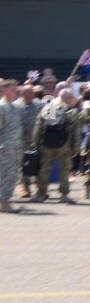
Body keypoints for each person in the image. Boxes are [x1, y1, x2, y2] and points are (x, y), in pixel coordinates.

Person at [32, 87, 78, 203]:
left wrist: (35, 143)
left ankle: (41, 194)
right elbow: (76, 130)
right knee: (64, 169)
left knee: (44, 169)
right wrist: (76, 147)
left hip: (46, 143)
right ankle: (64, 195)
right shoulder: (70, 109)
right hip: (64, 144)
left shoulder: (48, 107)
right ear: (67, 98)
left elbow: (38, 126)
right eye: (71, 97)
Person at [0, 79, 22, 212]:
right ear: (4, 90)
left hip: (16, 146)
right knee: (5, 174)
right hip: (6, 147)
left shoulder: (14, 106)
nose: (16, 91)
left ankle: (5, 200)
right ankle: (4, 202)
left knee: (13, 174)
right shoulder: (2, 107)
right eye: (13, 89)